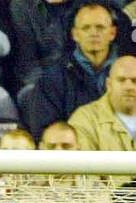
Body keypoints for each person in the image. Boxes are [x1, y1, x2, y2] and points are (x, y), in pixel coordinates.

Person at [19, 2, 119, 137]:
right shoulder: (51, 80)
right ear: (75, 34)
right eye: (86, 28)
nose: (93, 33)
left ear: (112, 33)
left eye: (100, 27)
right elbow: (44, 133)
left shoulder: (129, 74)